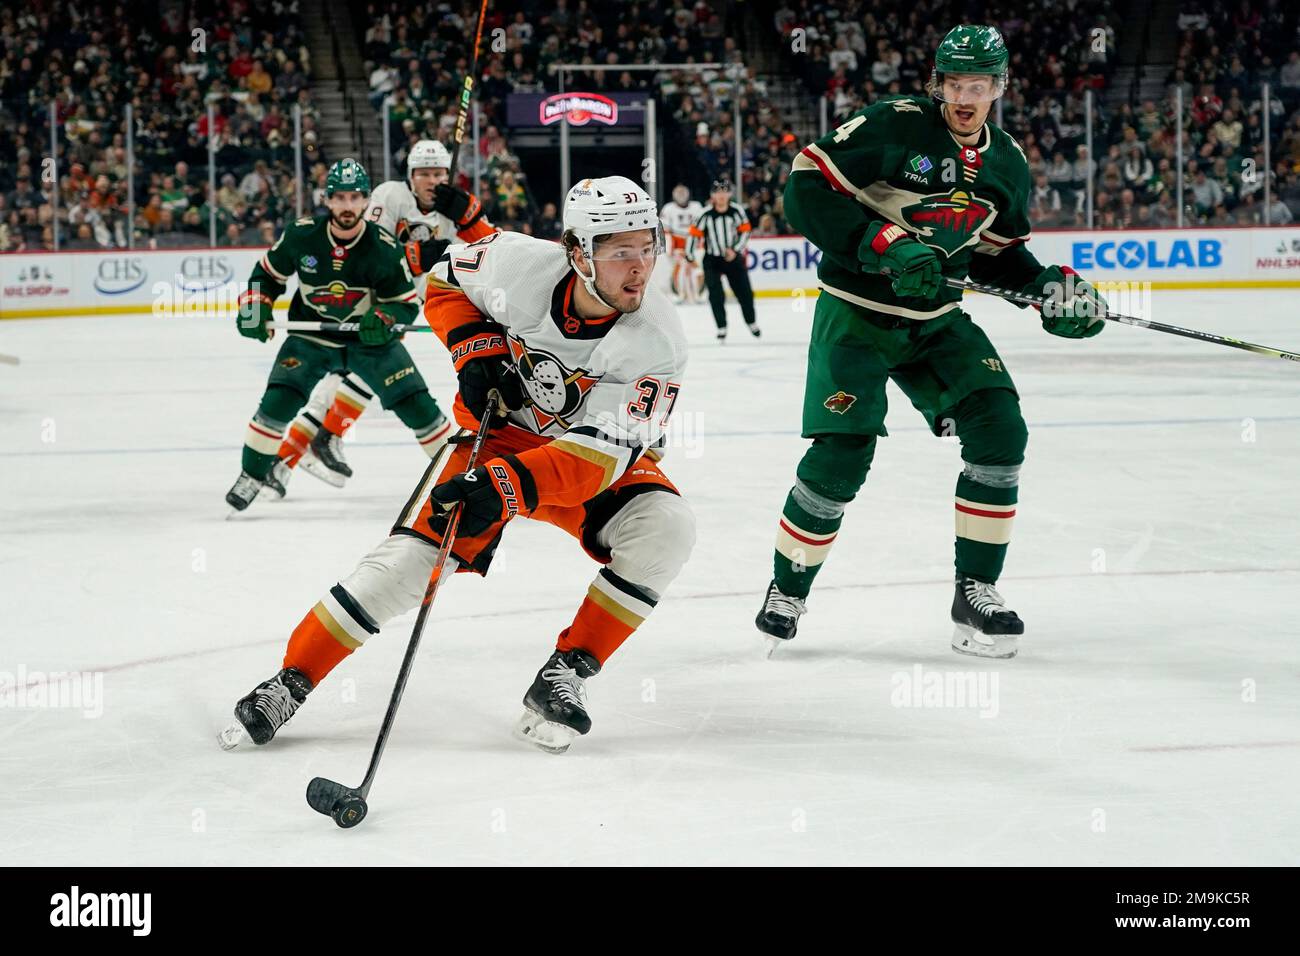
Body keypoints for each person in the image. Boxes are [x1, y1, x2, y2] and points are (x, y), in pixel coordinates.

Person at [221, 176, 694, 754]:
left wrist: (503, 488)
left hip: (579, 462)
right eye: (618, 250)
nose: (639, 266)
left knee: (666, 528)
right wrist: (476, 348)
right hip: (496, 438)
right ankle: (291, 680)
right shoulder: (518, 262)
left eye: (647, 246)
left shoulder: (658, 341)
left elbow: (597, 459)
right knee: (406, 565)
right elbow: (445, 279)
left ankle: (566, 671)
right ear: (577, 252)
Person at [755, 25, 1108, 659]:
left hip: (938, 317)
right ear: (936, 83)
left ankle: (975, 590)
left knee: (1001, 429)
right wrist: (883, 244)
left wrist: (1048, 290)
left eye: (979, 85)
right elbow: (805, 187)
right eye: (954, 84)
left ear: (998, 88)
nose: (965, 97)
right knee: (843, 455)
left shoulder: (1007, 162)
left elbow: (997, 258)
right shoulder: (892, 125)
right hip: (858, 314)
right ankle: (789, 589)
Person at [225, 158, 451, 511]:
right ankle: (252, 475)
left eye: (355, 198)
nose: (347, 206)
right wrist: (255, 308)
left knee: (418, 406)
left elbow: (404, 303)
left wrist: (384, 317)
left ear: (365, 201)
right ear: (327, 199)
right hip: (311, 338)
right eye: (340, 198)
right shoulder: (302, 235)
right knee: (277, 404)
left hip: (369, 341)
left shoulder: (383, 246)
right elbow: (266, 275)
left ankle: (460, 479)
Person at [273, 140, 495, 489]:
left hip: (403, 306)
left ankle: (287, 457)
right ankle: (313, 443)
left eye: (438, 172)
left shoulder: (454, 206)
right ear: (410, 175)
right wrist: (418, 254)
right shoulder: (390, 196)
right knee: (357, 377)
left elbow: (493, 251)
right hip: (367, 301)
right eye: (423, 173)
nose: (431, 180)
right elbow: (367, 249)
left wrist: (471, 218)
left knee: (345, 381)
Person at [687, 179, 759, 341]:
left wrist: (735, 250)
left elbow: (746, 232)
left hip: (733, 259)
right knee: (716, 295)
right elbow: (693, 235)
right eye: (717, 192)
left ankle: (751, 322)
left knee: (745, 292)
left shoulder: (737, 211)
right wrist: (689, 255)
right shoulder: (704, 214)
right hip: (712, 260)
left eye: (724, 191)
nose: (721, 195)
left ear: (729, 194)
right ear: (712, 195)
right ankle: (721, 326)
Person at [660, 183, 704, 304]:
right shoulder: (668, 208)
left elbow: (702, 228)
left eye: (683, 192)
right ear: (673, 195)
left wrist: (699, 246)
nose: (681, 195)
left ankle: (699, 294)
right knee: (678, 269)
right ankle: (679, 294)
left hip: (694, 242)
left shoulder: (697, 206)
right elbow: (665, 231)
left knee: (697, 269)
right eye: (678, 192)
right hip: (676, 243)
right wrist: (670, 248)